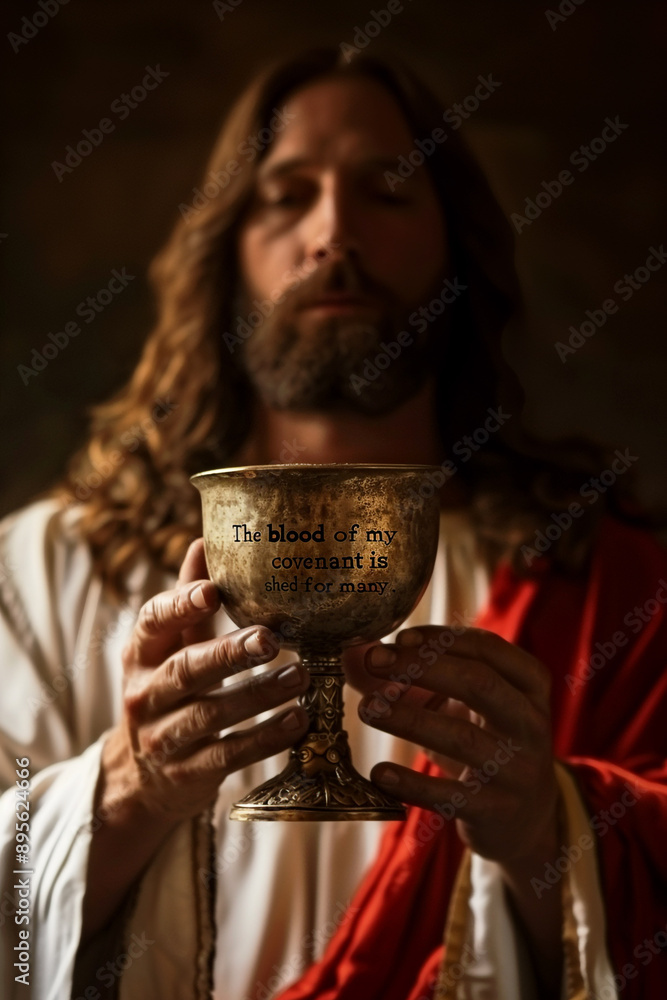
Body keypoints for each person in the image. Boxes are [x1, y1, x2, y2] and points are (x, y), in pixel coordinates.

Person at [1, 48, 666, 1000]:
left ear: (456, 245)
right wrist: (125, 788)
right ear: (226, 251)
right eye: (284, 195)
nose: (333, 231)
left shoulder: (593, 577)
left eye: (387, 190)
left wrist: (547, 830)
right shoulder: (51, 569)